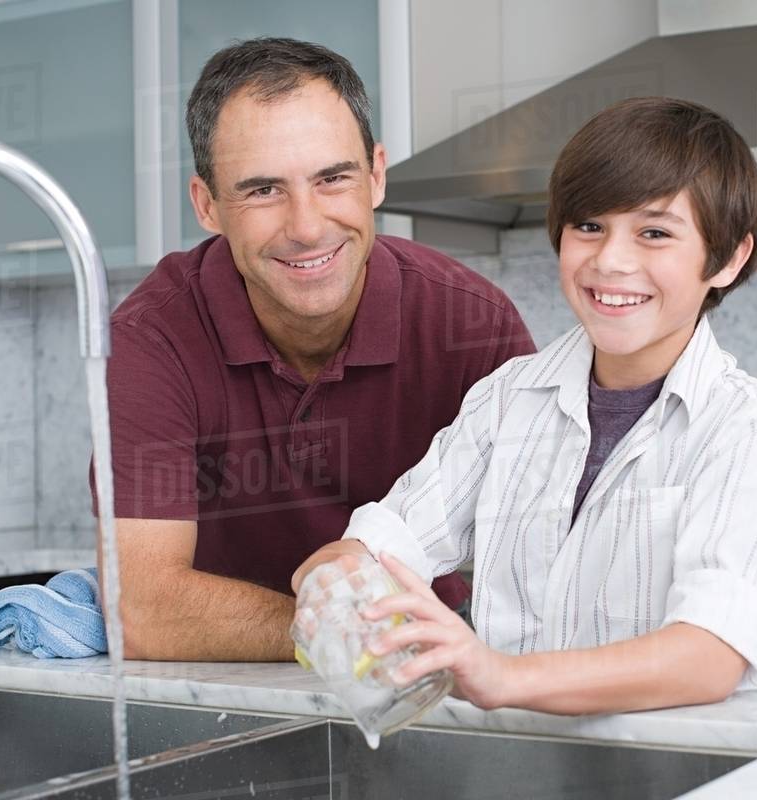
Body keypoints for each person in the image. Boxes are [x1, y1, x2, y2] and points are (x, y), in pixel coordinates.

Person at [292, 96, 757, 713]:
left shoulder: (750, 424)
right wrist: (335, 577)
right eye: (588, 226)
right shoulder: (507, 399)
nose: (610, 260)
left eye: (654, 233)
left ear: (728, 258)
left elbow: (709, 655)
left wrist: (501, 676)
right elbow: (382, 544)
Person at [94, 38, 534, 661]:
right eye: (263, 190)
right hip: (232, 676)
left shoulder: (472, 324)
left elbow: (535, 555)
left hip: (431, 662)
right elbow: (139, 611)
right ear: (208, 205)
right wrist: (357, 639)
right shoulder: (151, 340)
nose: (306, 225)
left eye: (333, 179)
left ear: (376, 175)